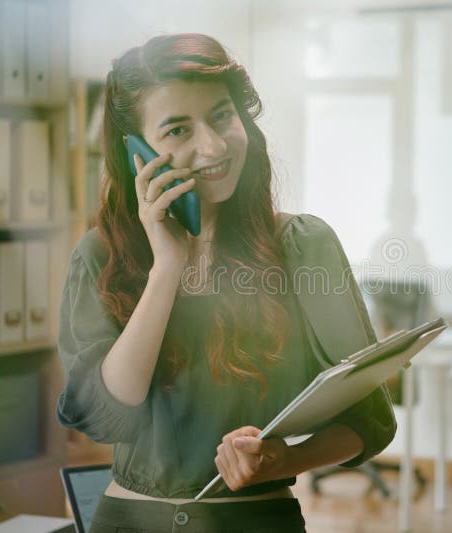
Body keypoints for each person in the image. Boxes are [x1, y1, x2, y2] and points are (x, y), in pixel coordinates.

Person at [55, 33, 396, 533]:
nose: (212, 146)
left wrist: (281, 461)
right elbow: (109, 418)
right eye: (177, 129)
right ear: (136, 153)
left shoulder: (304, 246)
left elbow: (370, 421)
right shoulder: (101, 256)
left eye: (221, 116)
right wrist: (167, 266)